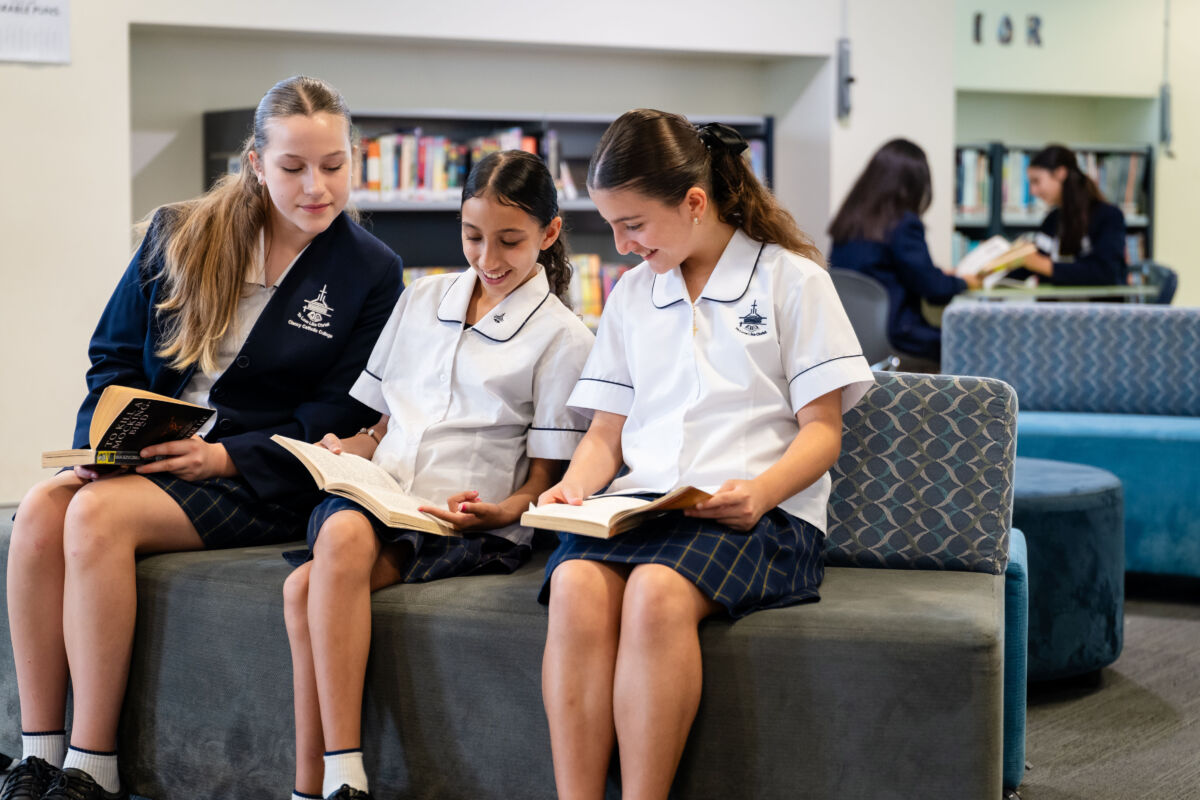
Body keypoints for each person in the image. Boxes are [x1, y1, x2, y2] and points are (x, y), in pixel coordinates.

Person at [2, 75, 403, 800]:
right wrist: (103, 444)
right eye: (293, 168)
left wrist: (224, 456)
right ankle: (37, 755)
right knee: (39, 511)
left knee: (92, 516)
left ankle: (92, 766)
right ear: (255, 161)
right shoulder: (178, 231)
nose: (317, 186)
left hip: (260, 475)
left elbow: (339, 413)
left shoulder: (372, 271)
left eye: (335, 165)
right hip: (152, 453)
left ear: (354, 158)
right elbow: (113, 359)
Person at [535, 109, 874, 800]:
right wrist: (572, 490)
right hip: (647, 506)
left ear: (694, 202)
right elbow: (605, 435)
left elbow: (823, 431)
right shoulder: (633, 295)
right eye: (612, 226)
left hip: (758, 513)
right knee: (573, 586)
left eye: (634, 225)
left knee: (658, 592)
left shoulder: (793, 280)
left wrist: (762, 491)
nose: (624, 245)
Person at [282, 149, 594, 800]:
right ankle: (331, 781)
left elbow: (542, 483)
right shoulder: (422, 298)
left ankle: (327, 779)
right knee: (322, 561)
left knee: (309, 584)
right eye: (472, 236)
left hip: (465, 522)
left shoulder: (566, 338)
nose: (488, 258)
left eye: (510, 241)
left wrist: (502, 512)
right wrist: (350, 448)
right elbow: (384, 424)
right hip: (382, 498)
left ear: (550, 234)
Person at [828, 138, 979, 365]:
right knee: (973, 343)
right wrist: (965, 282)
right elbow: (934, 291)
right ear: (914, 184)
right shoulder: (903, 224)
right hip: (898, 334)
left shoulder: (848, 222)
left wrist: (938, 275)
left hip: (851, 337)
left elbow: (892, 273)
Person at [1010, 143, 1128, 286]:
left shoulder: (1108, 216)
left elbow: (1106, 272)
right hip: (1055, 307)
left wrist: (1042, 264)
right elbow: (1029, 266)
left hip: (1097, 307)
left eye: (1037, 181)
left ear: (1060, 173)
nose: (1033, 191)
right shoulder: (1052, 220)